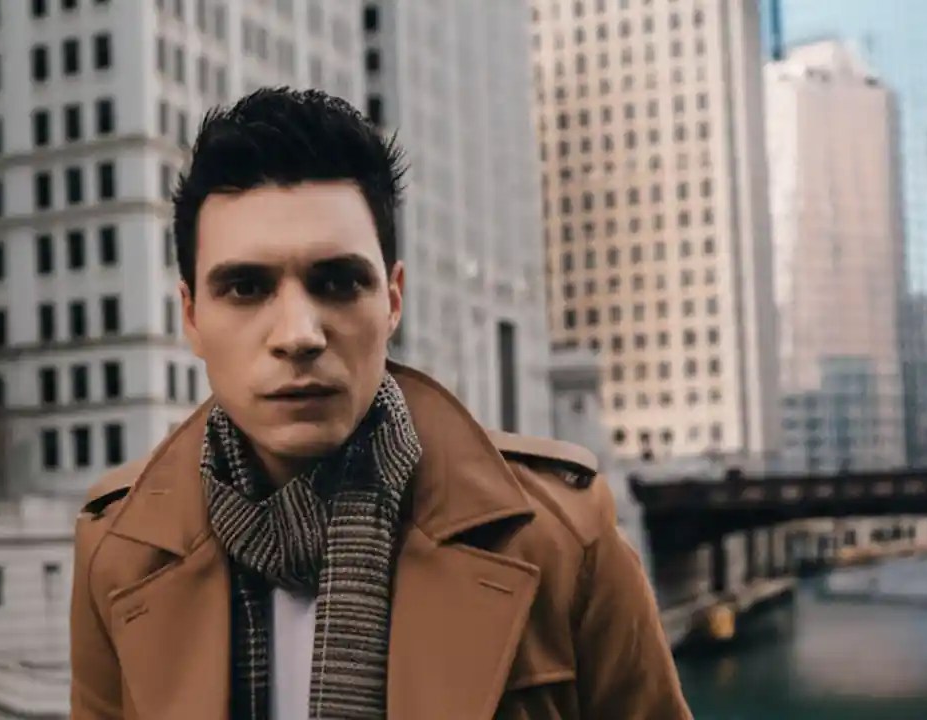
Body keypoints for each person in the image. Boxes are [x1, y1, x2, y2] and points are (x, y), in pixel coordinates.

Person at [69, 87, 691, 719]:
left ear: (392, 299)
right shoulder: (116, 553)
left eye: (337, 281)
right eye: (246, 287)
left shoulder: (562, 536)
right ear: (191, 316)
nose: (298, 335)